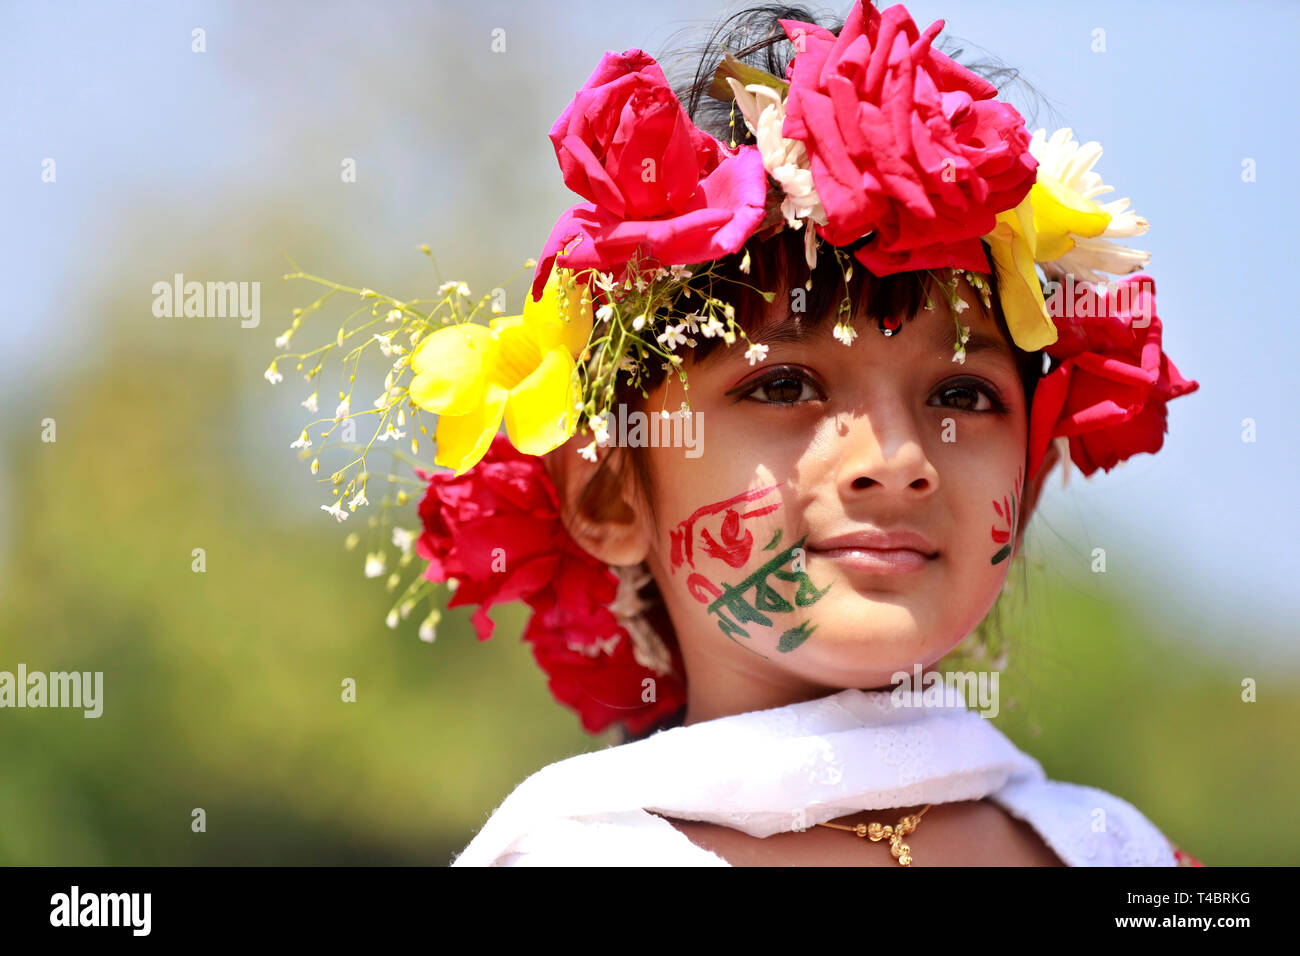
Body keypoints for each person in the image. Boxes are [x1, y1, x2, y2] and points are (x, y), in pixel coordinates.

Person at [268, 0, 1203, 866]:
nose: (897, 461)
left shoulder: (1117, 853)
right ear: (608, 489)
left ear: (1030, 480)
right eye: (785, 383)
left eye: (962, 395)